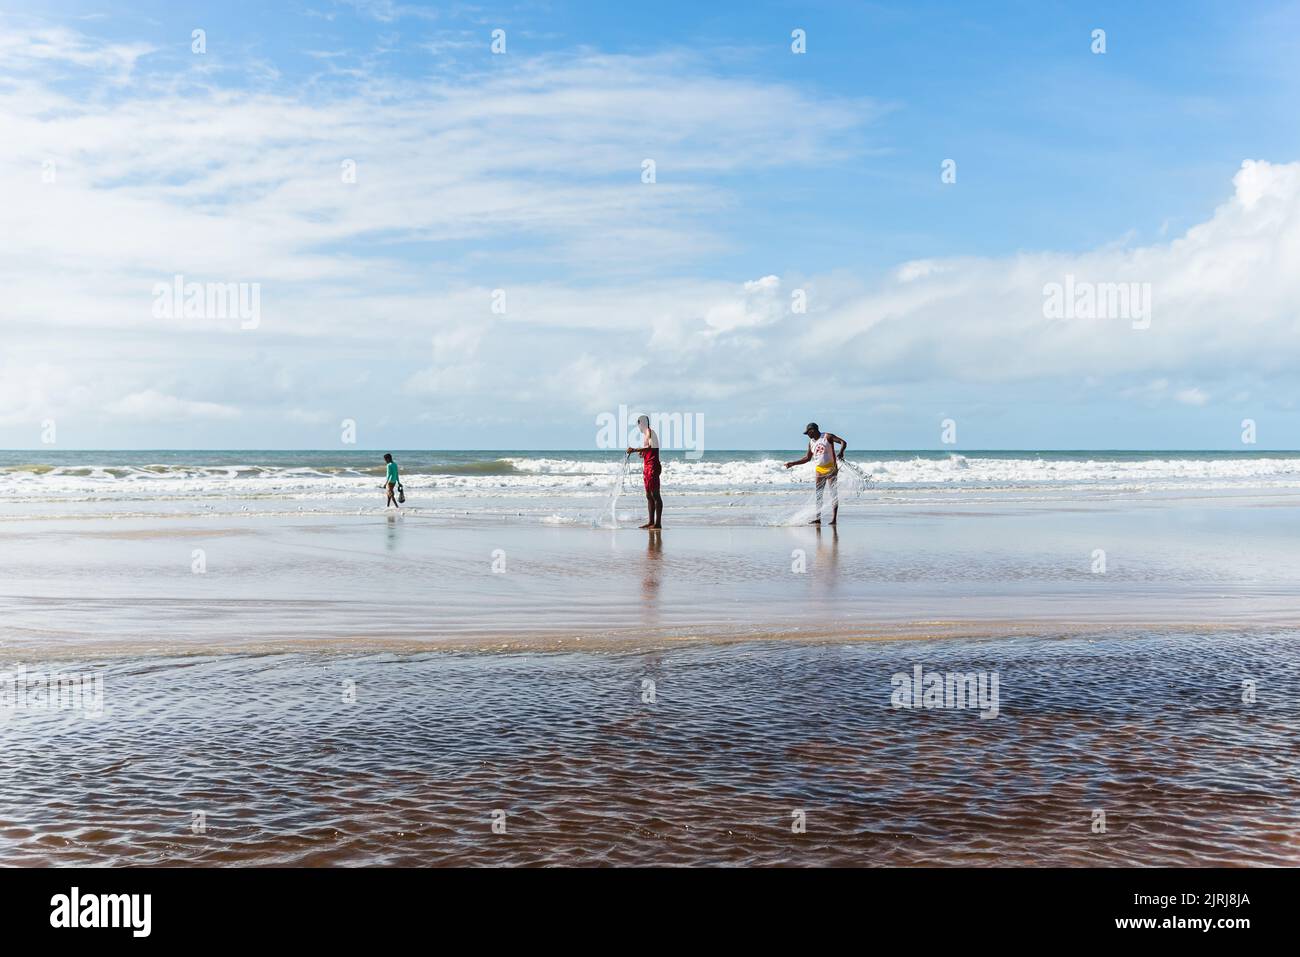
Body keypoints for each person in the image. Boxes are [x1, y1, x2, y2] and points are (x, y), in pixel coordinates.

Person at [784, 422, 847, 525]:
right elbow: (808, 458)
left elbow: (843, 442)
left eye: (808, 432)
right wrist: (793, 463)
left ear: (812, 430)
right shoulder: (811, 442)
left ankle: (834, 519)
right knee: (818, 495)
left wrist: (841, 452)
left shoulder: (827, 436)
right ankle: (818, 518)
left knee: (833, 494)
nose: (807, 435)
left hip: (831, 469)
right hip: (819, 470)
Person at [626, 414, 662, 529]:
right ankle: (651, 522)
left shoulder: (650, 432)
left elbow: (651, 447)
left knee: (655, 495)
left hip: (653, 467)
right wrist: (643, 453)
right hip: (647, 467)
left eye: (638, 424)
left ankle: (658, 523)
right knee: (648, 495)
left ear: (641, 423)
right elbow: (649, 449)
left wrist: (635, 450)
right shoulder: (645, 435)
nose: (638, 427)